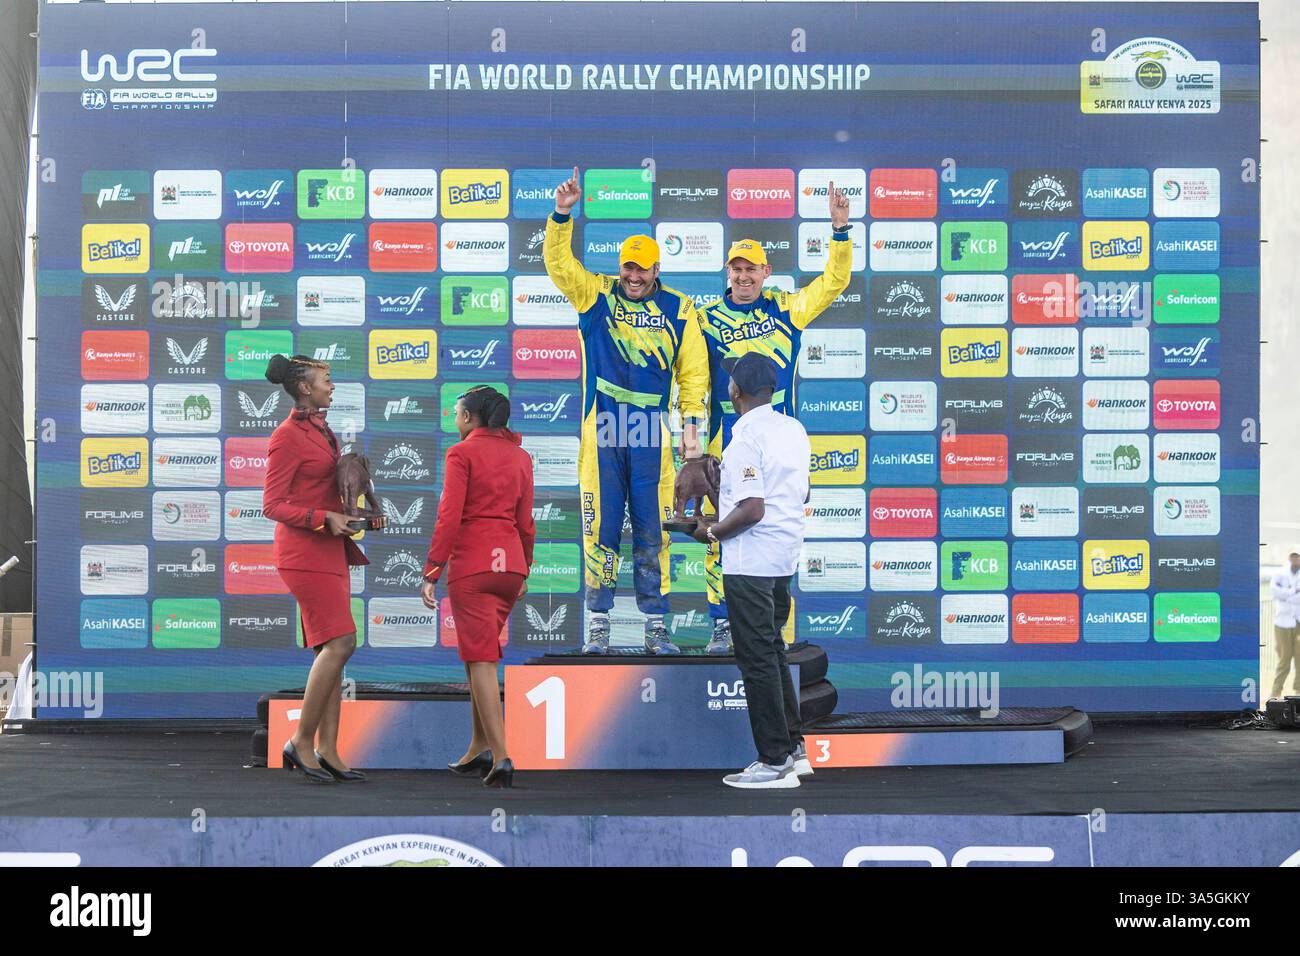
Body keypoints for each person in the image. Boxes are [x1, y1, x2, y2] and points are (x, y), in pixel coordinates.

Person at [545, 167, 710, 655]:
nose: (633, 276)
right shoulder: (595, 293)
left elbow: (694, 379)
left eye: (642, 269)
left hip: (651, 434)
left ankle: (655, 628)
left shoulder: (681, 310)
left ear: (657, 270)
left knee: (652, 529)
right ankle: (597, 626)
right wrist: (561, 215)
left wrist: (693, 445)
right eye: (628, 267)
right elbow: (558, 266)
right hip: (603, 430)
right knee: (599, 529)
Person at [698, 183, 852, 654]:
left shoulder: (786, 306)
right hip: (730, 437)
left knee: (777, 525)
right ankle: (722, 624)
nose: (744, 277)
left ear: (767, 271)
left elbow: (834, 283)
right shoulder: (703, 317)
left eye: (752, 269)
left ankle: (775, 627)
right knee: (722, 524)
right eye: (737, 269)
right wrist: (692, 446)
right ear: (727, 271)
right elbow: (689, 380)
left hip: (782, 442)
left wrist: (841, 231)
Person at [694, 353, 812, 789]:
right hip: (784, 556)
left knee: (758, 658)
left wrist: (710, 532)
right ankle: (794, 750)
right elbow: (802, 490)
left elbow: (752, 509)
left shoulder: (743, 437)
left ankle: (774, 760)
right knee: (773, 651)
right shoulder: (793, 429)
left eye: (730, 381)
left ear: (735, 392)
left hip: (751, 560)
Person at [419, 386, 534, 788]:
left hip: (474, 565)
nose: (454, 420)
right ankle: (478, 747)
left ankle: (501, 756)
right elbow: (526, 522)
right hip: (510, 568)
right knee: (476, 655)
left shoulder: (461, 453)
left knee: (482, 658)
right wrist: (525, 569)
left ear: (470, 419)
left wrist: (433, 568)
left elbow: (448, 515)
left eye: (456, 413)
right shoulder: (520, 456)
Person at [262, 354, 369, 784]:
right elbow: (272, 504)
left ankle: (328, 749)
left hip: (330, 550)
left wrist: (352, 509)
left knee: (332, 650)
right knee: (342, 642)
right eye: (327, 379)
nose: (333, 385)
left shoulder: (321, 430)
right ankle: (300, 741)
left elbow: (321, 490)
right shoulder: (287, 435)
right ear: (305, 387)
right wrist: (323, 519)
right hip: (304, 554)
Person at [1269, 552, 1300, 700]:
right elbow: (1274, 591)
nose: (1296, 559)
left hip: (1298, 622)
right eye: (1293, 556)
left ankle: (1298, 691)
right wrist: (1293, 593)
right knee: (1284, 660)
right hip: (1282, 623)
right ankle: (1275, 693)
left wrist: (1286, 594)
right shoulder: (1280, 573)